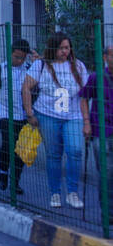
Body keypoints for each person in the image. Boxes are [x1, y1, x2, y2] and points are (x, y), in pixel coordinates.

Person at [23, 32, 91, 209]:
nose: (64, 51)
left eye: (67, 48)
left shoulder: (79, 66)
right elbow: (26, 87)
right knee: (54, 155)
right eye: (61, 48)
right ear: (53, 48)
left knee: (75, 151)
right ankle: (55, 193)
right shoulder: (41, 65)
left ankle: (73, 192)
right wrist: (29, 113)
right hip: (47, 115)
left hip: (73, 115)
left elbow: (85, 94)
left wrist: (86, 121)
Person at [0, 40, 34, 195]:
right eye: (17, 57)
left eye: (22, 58)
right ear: (11, 53)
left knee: (22, 150)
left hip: (24, 115)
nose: (19, 61)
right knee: (8, 144)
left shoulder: (30, 70)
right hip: (5, 113)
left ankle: (15, 181)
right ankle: (3, 173)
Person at [79, 44, 113, 204]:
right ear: (105, 58)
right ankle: (108, 209)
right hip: (101, 130)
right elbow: (83, 98)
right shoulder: (96, 77)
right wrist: (86, 123)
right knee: (106, 171)